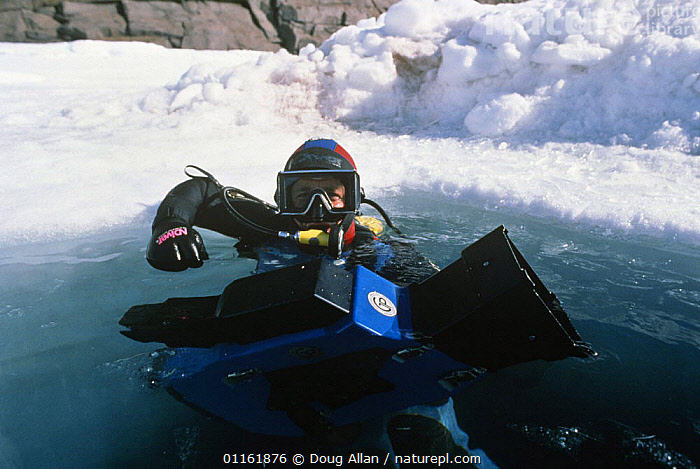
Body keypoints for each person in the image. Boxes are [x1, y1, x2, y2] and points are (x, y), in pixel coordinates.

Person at [146, 138, 437, 284]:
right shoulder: (267, 226)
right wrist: (170, 225)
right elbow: (200, 189)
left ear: (354, 199)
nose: (317, 208)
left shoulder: (376, 249)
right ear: (282, 198)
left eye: (332, 196)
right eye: (303, 195)